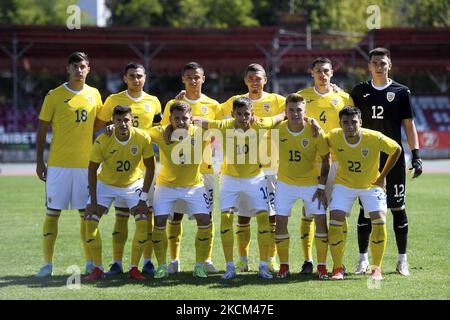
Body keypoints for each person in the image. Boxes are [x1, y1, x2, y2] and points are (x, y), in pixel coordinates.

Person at [193, 97, 286, 280]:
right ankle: (230, 267)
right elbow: (201, 121)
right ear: (233, 113)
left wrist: (309, 120)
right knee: (226, 219)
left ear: (253, 114)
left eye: (247, 113)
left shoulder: (260, 124)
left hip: (255, 178)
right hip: (229, 180)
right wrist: (184, 112)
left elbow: (280, 116)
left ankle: (263, 265)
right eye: (239, 113)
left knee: (263, 219)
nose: (243, 117)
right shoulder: (225, 125)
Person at [350, 48, 422, 276]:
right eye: (375, 63)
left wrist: (417, 155)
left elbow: (409, 126)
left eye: (383, 63)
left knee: (397, 208)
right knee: (365, 210)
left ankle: (403, 260)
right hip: (367, 160)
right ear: (369, 66)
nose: (379, 67)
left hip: (394, 159)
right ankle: (363, 260)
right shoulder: (359, 91)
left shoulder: (401, 91)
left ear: (389, 65)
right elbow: (348, 120)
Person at [35, 52, 103, 277]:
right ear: (68, 69)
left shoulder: (95, 94)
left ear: (88, 69)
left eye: (83, 66)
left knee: (86, 216)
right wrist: (39, 161)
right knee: (53, 213)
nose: (79, 70)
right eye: (75, 66)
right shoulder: (54, 95)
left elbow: (98, 125)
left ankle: (90, 263)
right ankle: (47, 264)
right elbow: (42, 129)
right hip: (58, 166)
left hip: (85, 167)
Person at [95, 62, 162, 277]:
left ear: (145, 78)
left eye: (140, 76)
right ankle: (117, 263)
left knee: (146, 217)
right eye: (132, 76)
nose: (136, 79)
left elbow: (159, 129)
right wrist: (106, 130)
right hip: (120, 172)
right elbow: (99, 128)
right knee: (121, 216)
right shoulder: (113, 100)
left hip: (145, 169)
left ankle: (148, 262)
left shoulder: (154, 102)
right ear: (125, 78)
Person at [219, 63, 286, 273]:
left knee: (270, 214)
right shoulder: (234, 102)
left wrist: (334, 89)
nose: (255, 82)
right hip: (242, 167)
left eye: (258, 78)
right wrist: (182, 98)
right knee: (243, 214)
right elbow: (214, 113)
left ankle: (271, 258)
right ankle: (242, 258)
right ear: (245, 80)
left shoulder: (276, 99)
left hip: (271, 166)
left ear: (265, 79)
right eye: (251, 79)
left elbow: (293, 109)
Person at [160, 62, 222, 275]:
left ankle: (205, 260)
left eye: (197, 77)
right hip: (178, 170)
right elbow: (163, 132)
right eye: (189, 77)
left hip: (205, 168)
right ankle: (174, 260)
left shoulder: (214, 105)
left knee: (207, 216)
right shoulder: (173, 103)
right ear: (183, 79)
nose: (193, 81)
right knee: (175, 216)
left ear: (203, 78)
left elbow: (222, 131)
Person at [326, 106, 401, 280]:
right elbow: (319, 144)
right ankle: (338, 268)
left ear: (361, 122)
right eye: (346, 122)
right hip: (344, 184)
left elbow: (396, 149)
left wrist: (382, 176)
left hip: (371, 185)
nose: (350, 126)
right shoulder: (333, 135)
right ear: (340, 123)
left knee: (379, 219)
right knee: (335, 218)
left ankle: (376, 268)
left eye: (354, 122)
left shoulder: (373, 137)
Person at [83, 105, 155, 282]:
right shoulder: (102, 140)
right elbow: (92, 170)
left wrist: (143, 198)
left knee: (143, 220)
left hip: (132, 184)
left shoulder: (142, 137)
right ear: (112, 122)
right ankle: (98, 268)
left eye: (126, 120)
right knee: (90, 221)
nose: (123, 124)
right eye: (118, 120)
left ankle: (134, 268)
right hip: (106, 184)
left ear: (132, 120)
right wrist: (93, 200)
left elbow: (151, 168)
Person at [296, 57, 354, 275]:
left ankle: (339, 261)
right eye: (318, 71)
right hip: (311, 163)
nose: (323, 74)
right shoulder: (302, 97)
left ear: (332, 73)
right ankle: (308, 260)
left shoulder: (344, 98)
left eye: (326, 71)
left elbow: (354, 125)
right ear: (311, 72)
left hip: (338, 164)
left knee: (340, 212)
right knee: (309, 213)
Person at [149, 101, 213, 279]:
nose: (181, 121)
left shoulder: (202, 133)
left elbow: (224, 127)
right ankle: (162, 266)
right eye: (176, 118)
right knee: (159, 222)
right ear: (170, 119)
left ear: (191, 118)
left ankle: (199, 265)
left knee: (204, 221)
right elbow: (137, 133)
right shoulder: (160, 133)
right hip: (165, 186)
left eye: (185, 118)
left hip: (194, 186)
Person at [274, 93, 331, 280]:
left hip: (312, 185)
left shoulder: (315, 131)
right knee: (280, 223)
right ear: (285, 111)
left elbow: (326, 159)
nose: (295, 113)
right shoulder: (278, 129)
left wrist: (322, 187)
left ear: (305, 111)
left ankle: (322, 267)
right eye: (291, 110)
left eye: (299, 110)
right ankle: (284, 266)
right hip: (285, 184)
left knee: (321, 223)